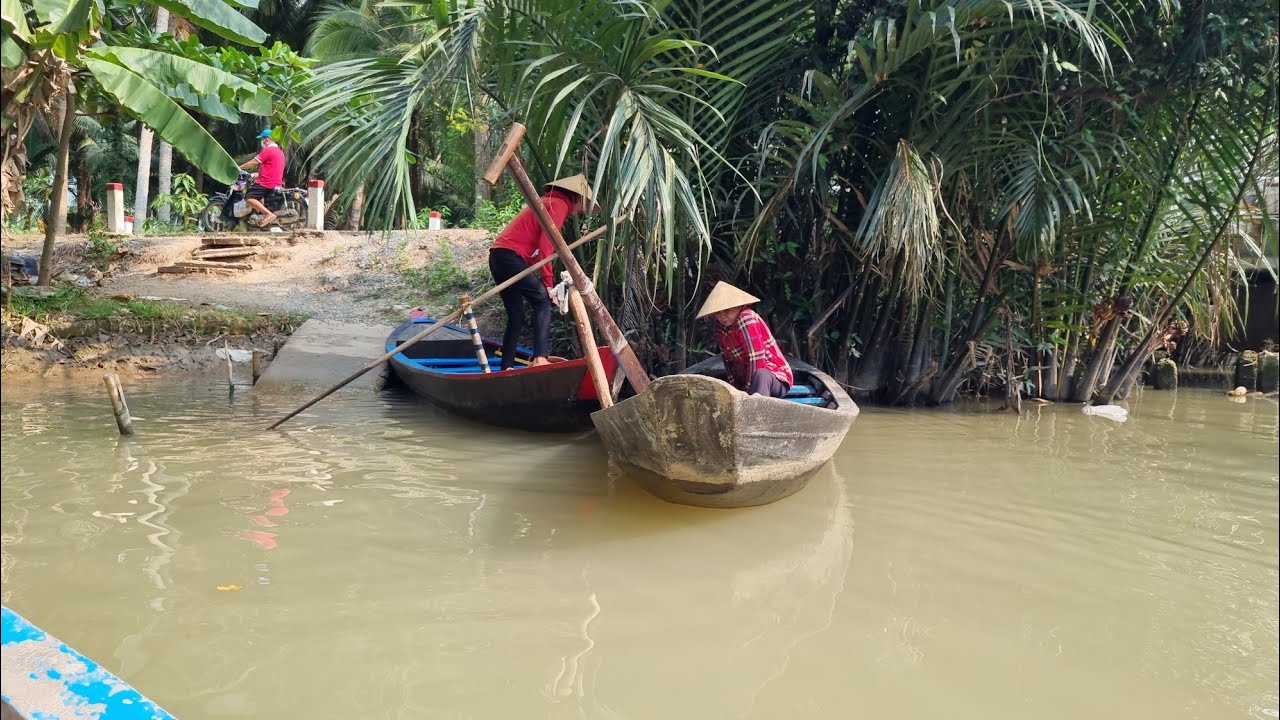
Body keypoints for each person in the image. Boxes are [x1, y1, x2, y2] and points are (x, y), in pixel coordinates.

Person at [488, 174, 595, 370]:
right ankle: (540, 358)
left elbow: (537, 251)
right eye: (584, 203)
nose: (583, 209)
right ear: (577, 197)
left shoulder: (548, 202)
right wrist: (547, 283)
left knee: (517, 315)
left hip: (499, 256)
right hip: (509, 256)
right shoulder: (558, 205)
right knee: (543, 301)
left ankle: (506, 368)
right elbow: (546, 247)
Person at [696, 281, 793, 398]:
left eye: (727, 310)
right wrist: (734, 390)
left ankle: (758, 413)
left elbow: (756, 359)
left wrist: (746, 392)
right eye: (718, 313)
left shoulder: (746, 318)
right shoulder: (721, 328)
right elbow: (728, 362)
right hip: (746, 379)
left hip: (774, 377)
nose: (723, 316)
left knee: (761, 375)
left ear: (739, 306)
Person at [238, 128, 286, 227]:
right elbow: (272, 168)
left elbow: (254, 162)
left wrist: (239, 168)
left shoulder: (268, 150)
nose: (262, 142)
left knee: (249, 197)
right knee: (258, 195)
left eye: (263, 139)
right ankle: (264, 215)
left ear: (267, 139)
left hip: (267, 182)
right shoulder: (279, 152)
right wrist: (258, 174)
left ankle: (268, 214)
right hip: (276, 181)